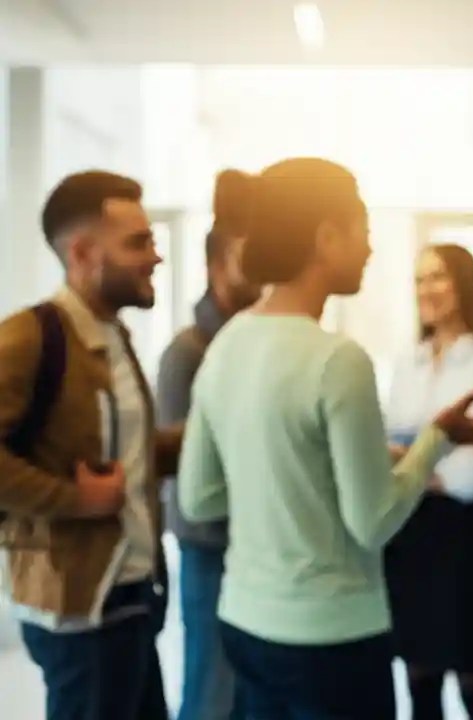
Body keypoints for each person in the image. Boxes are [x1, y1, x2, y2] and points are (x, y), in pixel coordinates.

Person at [176, 157, 473, 720]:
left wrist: (293, 481)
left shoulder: (227, 346)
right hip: (330, 640)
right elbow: (375, 519)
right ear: (325, 237)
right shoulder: (338, 360)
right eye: (363, 232)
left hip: (245, 623)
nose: (370, 250)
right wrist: (438, 438)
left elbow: (199, 497)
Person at [0, 170, 181, 720]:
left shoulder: (113, 335)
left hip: (130, 599)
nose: (154, 257)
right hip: (81, 615)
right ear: (81, 252)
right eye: (137, 243)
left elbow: (129, 455)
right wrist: (75, 500)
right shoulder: (30, 337)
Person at [383, 244, 473, 720]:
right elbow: (386, 445)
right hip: (411, 536)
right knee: (419, 681)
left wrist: (412, 461)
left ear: (464, 285)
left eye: (438, 277)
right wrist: (425, 458)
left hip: (464, 538)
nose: (427, 289)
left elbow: (470, 474)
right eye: (420, 279)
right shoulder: (408, 362)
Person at [157, 169, 262, 720]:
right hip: (209, 551)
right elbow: (181, 468)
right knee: (211, 696)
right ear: (218, 263)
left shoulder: (252, 342)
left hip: (251, 553)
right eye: (252, 258)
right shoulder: (188, 353)